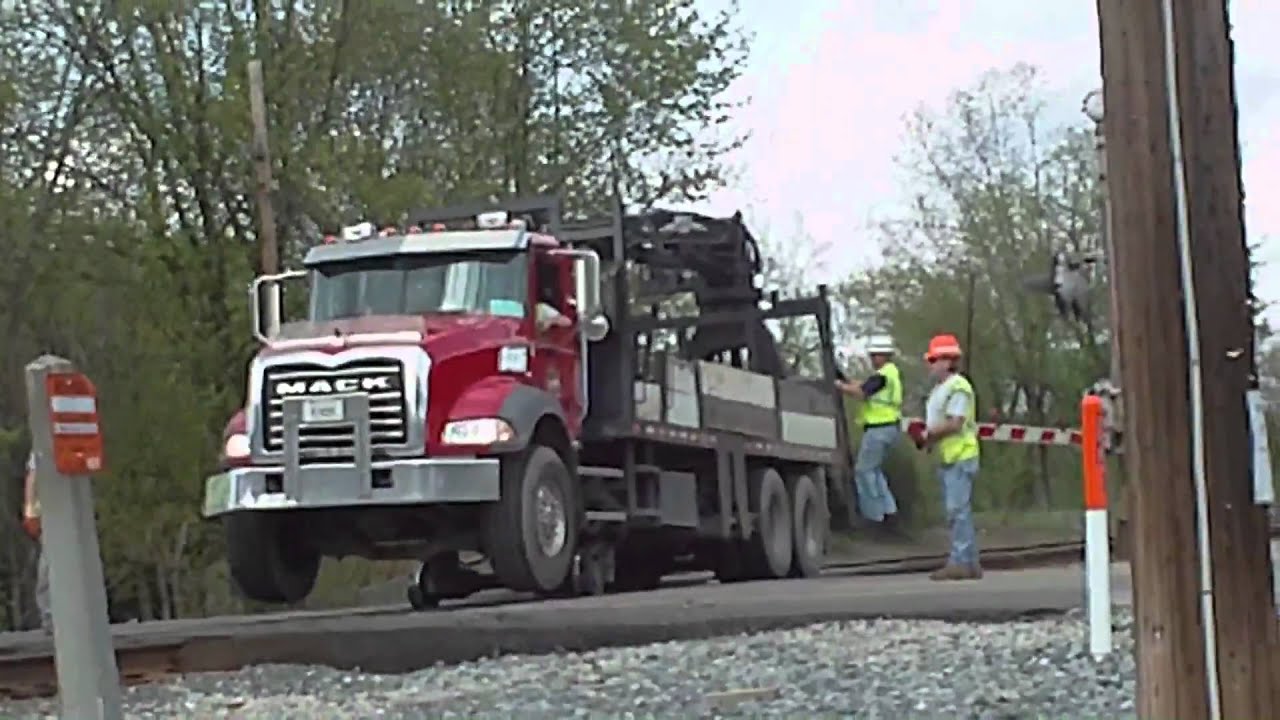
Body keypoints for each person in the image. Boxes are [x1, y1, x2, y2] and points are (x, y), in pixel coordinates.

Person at [916, 334, 982, 581]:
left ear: (948, 361)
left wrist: (927, 434)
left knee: (957, 511)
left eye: (934, 359)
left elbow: (955, 423)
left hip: (960, 455)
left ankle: (960, 562)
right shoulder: (941, 389)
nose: (930, 365)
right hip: (949, 456)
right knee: (957, 510)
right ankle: (969, 563)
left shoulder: (958, 388)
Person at [836, 336, 903, 530]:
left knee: (863, 470)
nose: (872, 358)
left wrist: (839, 387)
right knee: (874, 470)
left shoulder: (883, 375)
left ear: (883, 355)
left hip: (879, 429)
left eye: (875, 355)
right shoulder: (889, 374)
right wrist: (847, 381)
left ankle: (874, 516)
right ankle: (890, 511)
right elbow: (864, 385)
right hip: (888, 428)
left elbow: (861, 392)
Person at [21, 451, 52, 631]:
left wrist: (30, 510)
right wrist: (30, 511)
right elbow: (32, 479)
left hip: (55, 514)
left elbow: (32, 479)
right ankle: (49, 617)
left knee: (49, 568)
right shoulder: (41, 448)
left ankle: (50, 616)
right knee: (49, 568)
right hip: (46, 516)